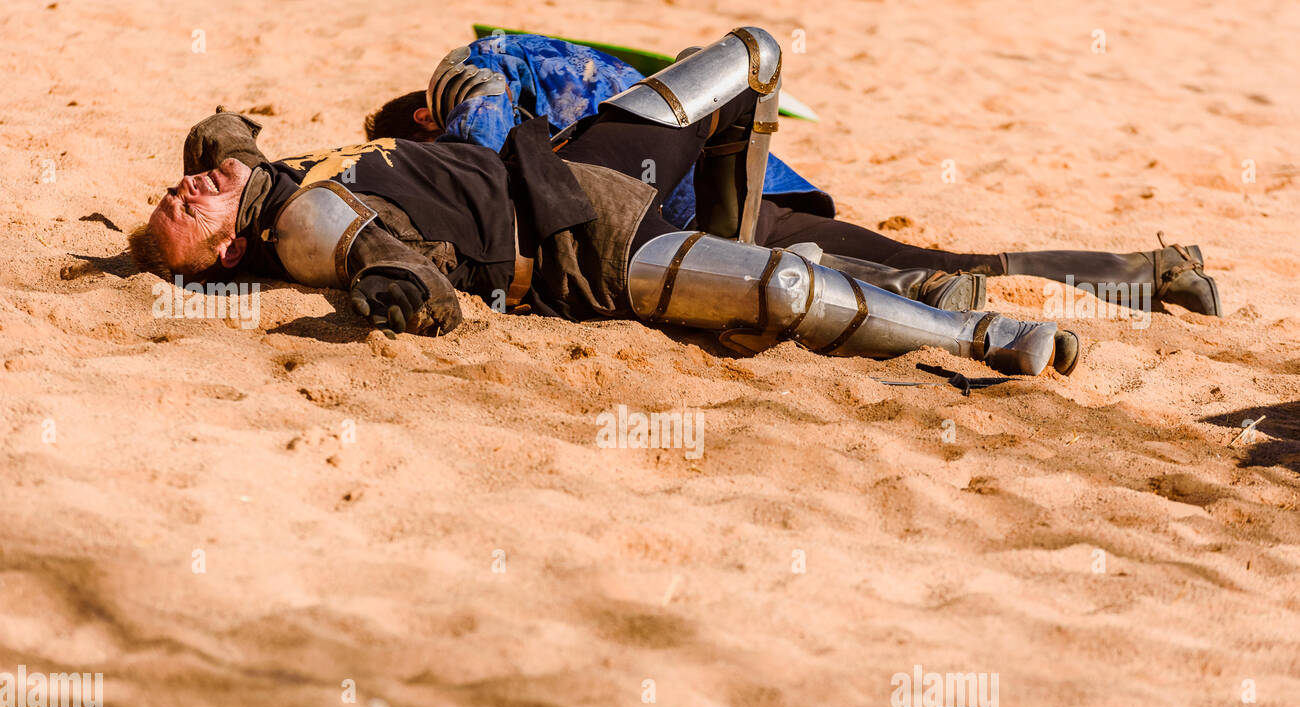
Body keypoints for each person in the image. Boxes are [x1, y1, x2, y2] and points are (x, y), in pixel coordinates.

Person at [129, 27, 1079, 379]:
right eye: (188, 211)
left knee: (754, 58)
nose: (186, 188)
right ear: (224, 256)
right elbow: (386, 265)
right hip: (584, 249)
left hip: (581, 162)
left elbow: (223, 136)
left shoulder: (267, 177)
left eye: (182, 186)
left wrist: (211, 168)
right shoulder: (301, 223)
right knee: (785, 290)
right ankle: (982, 342)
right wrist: (399, 294)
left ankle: (730, 231)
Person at [366, 32, 1221, 318]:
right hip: (730, 192)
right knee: (938, 267)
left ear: (421, 121)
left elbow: (479, 131)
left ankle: (1144, 275)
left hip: (676, 193)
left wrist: (477, 167)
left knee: (823, 272)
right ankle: (1153, 275)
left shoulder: (474, 68)